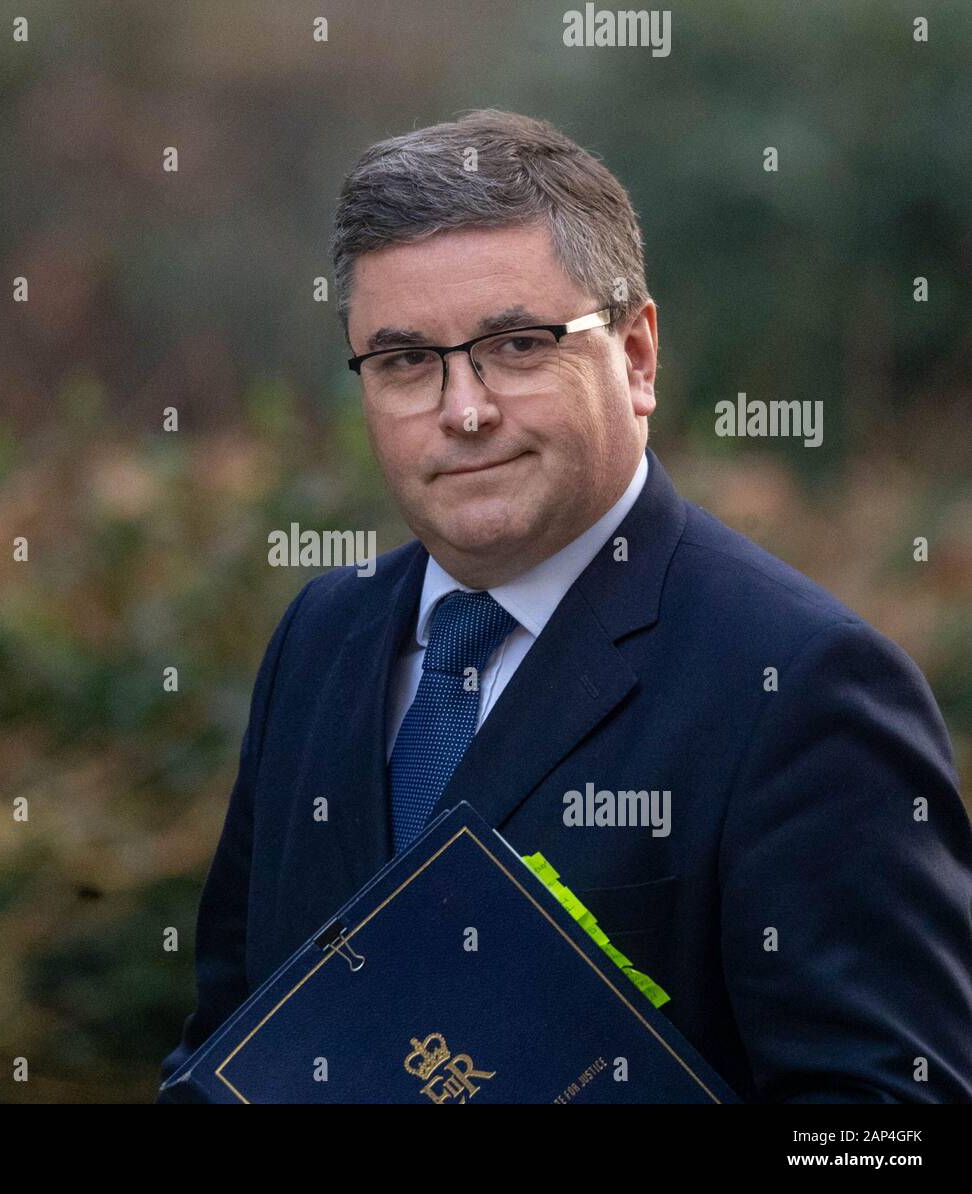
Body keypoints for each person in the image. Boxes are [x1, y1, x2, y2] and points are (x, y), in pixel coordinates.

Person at [158, 108, 972, 1102]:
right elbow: (226, 1043)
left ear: (635, 355)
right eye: (406, 360)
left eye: (515, 344)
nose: (464, 411)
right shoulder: (321, 637)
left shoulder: (798, 687)